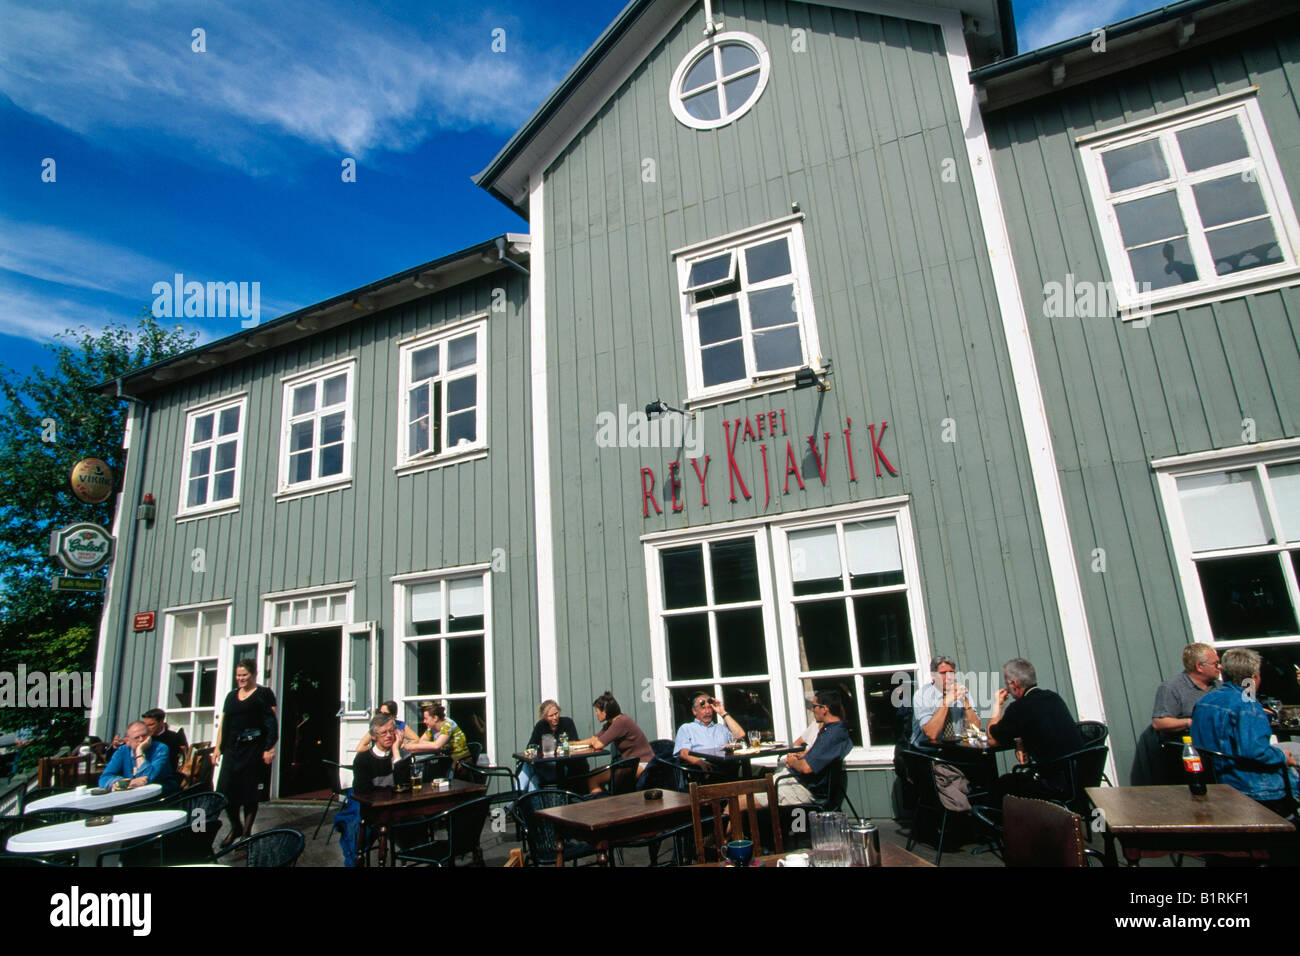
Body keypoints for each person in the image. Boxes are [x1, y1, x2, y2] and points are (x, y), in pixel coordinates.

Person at [1191, 647, 1299, 816]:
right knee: (1292, 757)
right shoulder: (1248, 705)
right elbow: (1255, 751)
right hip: (1251, 785)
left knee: (1293, 748)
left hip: (1216, 778)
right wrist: (1283, 757)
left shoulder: (1205, 701)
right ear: (1253, 677)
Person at [986, 658, 1085, 799]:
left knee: (1000, 786)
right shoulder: (1054, 698)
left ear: (1014, 684)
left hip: (1053, 784)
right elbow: (1041, 728)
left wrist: (997, 705)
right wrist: (1021, 742)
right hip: (1080, 777)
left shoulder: (1020, 708)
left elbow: (993, 740)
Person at [213, 658, 278, 847]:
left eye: (244, 675)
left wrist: (269, 747)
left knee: (250, 794)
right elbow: (224, 724)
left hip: (254, 749)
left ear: (253, 674)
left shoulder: (264, 694)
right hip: (233, 749)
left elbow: (271, 723)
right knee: (225, 793)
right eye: (238, 675)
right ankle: (236, 827)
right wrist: (218, 747)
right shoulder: (231, 696)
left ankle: (246, 836)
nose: (240, 679)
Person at [910, 656, 984, 810]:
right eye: (944, 673)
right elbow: (931, 733)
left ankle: (982, 814)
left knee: (985, 777)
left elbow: (976, 728)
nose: (949, 677)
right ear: (933, 676)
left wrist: (966, 703)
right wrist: (946, 702)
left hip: (957, 754)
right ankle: (965, 813)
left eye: (952, 672)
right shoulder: (922, 696)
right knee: (960, 792)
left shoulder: (960, 691)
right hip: (929, 757)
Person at [763, 689, 852, 806]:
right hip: (800, 783)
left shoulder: (831, 735)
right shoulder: (834, 729)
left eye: (814, 706)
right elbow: (818, 756)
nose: (812, 709)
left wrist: (793, 761)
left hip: (803, 789)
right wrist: (803, 755)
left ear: (825, 709)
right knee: (750, 791)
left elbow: (806, 768)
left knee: (742, 800)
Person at [574, 691, 654, 793]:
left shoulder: (621, 722)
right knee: (593, 773)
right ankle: (607, 802)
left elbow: (598, 744)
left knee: (592, 779)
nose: (596, 714)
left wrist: (595, 741)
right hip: (631, 764)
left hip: (643, 765)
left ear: (605, 712)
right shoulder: (611, 723)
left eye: (597, 711)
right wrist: (572, 744)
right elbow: (593, 739)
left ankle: (603, 807)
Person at [98, 720, 179, 794]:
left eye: (144, 736)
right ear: (128, 742)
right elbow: (104, 778)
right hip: (132, 795)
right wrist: (127, 783)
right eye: (137, 737)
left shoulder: (160, 749)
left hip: (161, 796)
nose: (141, 740)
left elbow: (147, 778)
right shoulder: (122, 751)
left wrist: (139, 752)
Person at [519, 699, 583, 792]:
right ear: (545, 717)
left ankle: (514, 801)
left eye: (556, 714)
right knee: (533, 777)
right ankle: (529, 804)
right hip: (544, 765)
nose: (555, 717)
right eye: (551, 716)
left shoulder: (567, 723)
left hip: (563, 767)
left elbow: (574, 743)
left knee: (528, 768)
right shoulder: (540, 726)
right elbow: (531, 746)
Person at [674, 691, 745, 770]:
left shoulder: (721, 728)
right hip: (703, 770)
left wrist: (722, 712)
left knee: (756, 770)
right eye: (703, 708)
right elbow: (684, 754)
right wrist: (700, 762)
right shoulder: (687, 728)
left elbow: (740, 735)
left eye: (710, 708)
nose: (707, 712)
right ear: (694, 711)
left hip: (726, 766)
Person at [405, 702, 473, 777]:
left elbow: (437, 746)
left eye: (426, 719)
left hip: (460, 762)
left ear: (435, 718)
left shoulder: (447, 725)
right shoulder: (432, 727)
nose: (424, 721)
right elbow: (422, 741)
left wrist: (412, 747)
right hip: (446, 760)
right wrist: (433, 744)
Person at [351, 714, 409, 792]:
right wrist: (393, 790)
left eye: (391, 731)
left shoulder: (402, 755)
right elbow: (362, 790)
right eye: (383, 733)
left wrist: (395, 750)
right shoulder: (362, 759)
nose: (389, 735)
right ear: (374, 736)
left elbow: (404, 786)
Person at [353, 700, 419, 752]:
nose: (382, 716)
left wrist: (402, 746)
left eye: (385, 714)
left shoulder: (400, 725)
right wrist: (378, 749)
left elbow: (416, 739)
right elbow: (360, 748)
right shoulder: (377, 726)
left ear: (393, 715)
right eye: (380, 713)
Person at [141, 707, 188, 772]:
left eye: (151, 725)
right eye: (144, 725)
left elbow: (184, 755)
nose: (146, 728)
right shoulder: (141, 737)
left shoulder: (174, 735)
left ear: (161, 722)